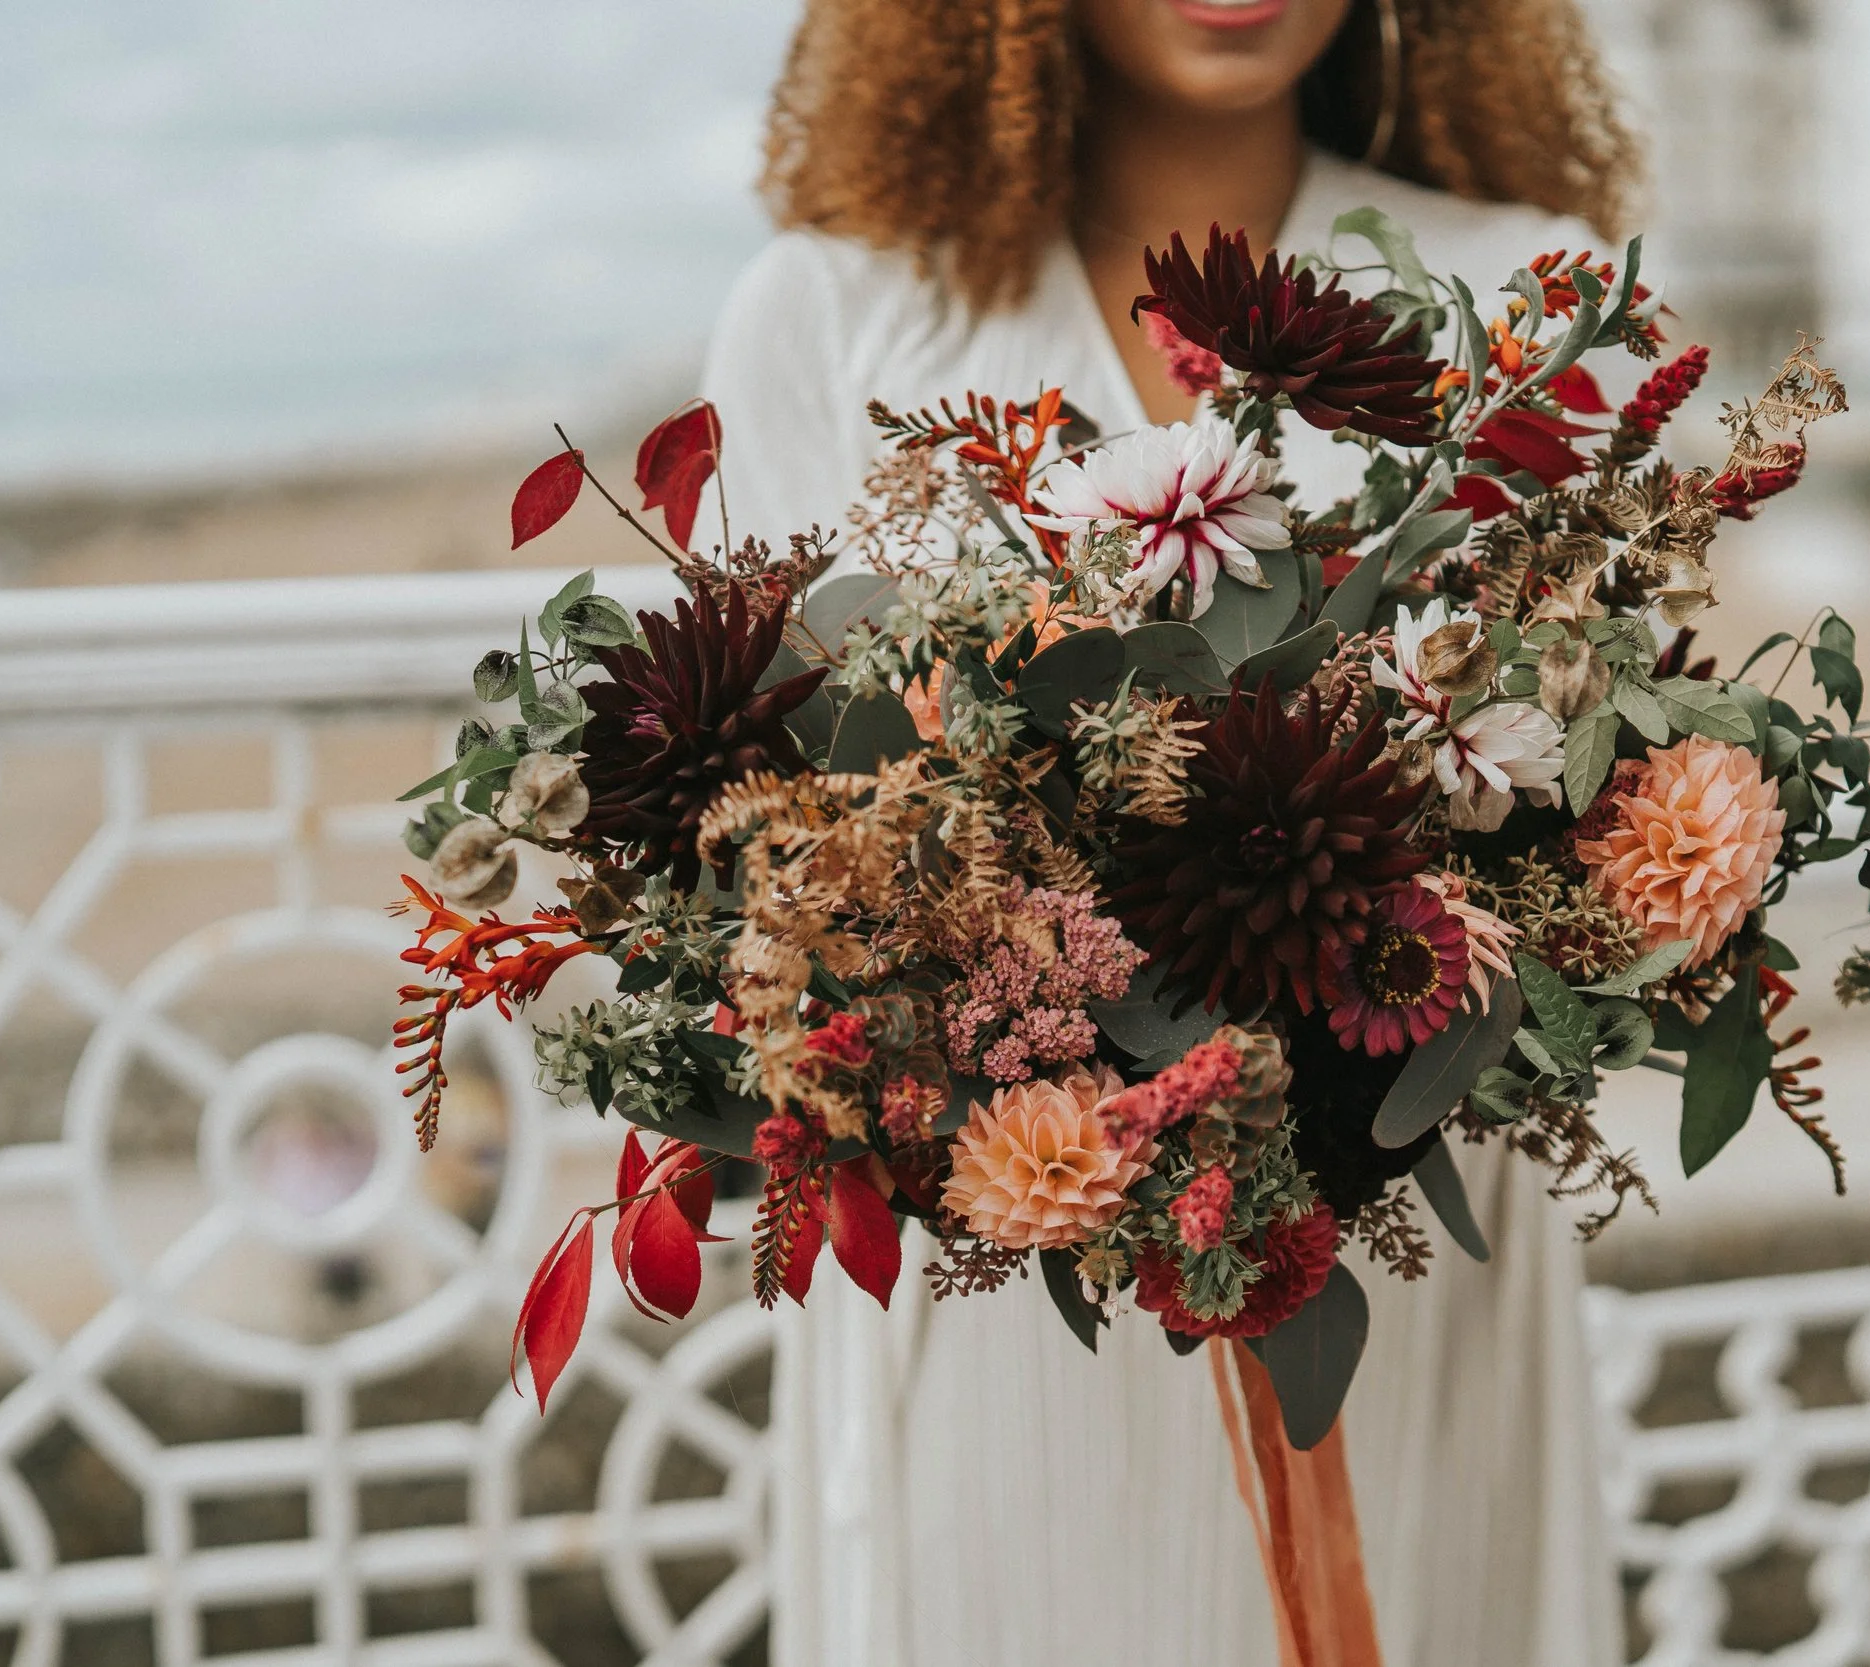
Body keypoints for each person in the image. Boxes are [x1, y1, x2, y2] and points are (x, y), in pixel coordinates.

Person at [704, 4, 1642, 1662]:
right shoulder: (836, 314)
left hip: (1407, 1263)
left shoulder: (1527, 290)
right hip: (1007, 1290)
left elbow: (1604, 786)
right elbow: (758, 835)